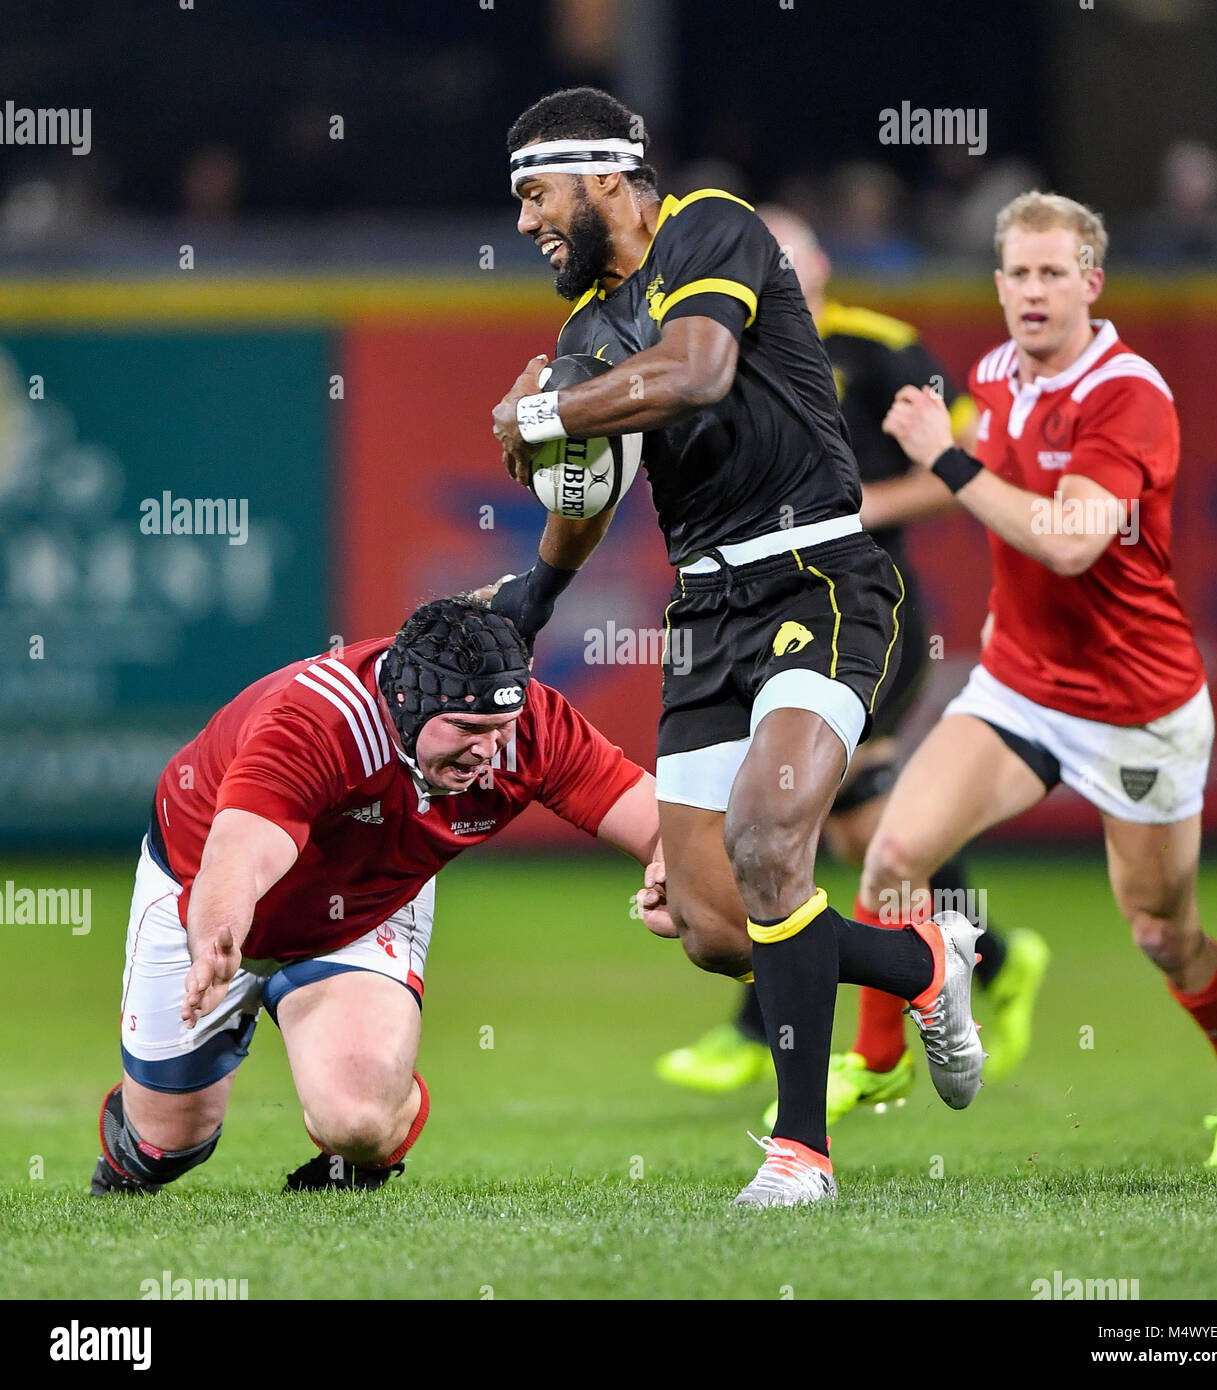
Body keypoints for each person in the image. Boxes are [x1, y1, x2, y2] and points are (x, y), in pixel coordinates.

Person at [489, 86, 986, 1208]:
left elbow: (699, 370)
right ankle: (925, 961)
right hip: (705, 613)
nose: (522, 223)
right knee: (715, 928)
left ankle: (799, 1154)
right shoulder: (581, 333)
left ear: (605, 178)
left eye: (533, 194)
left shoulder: (713, 226)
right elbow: (590, 488)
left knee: (771, 839)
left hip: (819, 576)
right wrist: (539, 588)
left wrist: (541, 417)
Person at [863, 190, 1217, 1168]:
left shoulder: (1128, 392)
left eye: (1054, 272)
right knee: (890, 859)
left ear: (1091, 282)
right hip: (1019, 688)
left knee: (1161, 933)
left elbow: (1074, 542)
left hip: (1136, 709)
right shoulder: (995, 373)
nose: (1033, 290)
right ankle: (879, 1056)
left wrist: (947, 460)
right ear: (998, 283)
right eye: (1017, 272)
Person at [654, 206, 1050, 1125]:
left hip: (859, 608)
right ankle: (980, 956)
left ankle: (770, 1033)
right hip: (772, 612)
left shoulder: (879, 349)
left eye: (786, 260)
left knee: (785, 824)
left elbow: (969, 453)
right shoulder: (717, 344)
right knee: (853, 834)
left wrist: (856, 505)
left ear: (818, 266)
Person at [91, 597, 669, 1196]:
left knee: (360, 1119)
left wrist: (671, 874)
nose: (488, 750)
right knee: (168, 1140)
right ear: (405, 707)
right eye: (468, 730)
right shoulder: (318, 722)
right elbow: (239, 855)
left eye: (500, 728)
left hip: (365, 910)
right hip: (205, 891)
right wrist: (214, 938)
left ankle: (354, 1167)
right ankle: (131, 1157)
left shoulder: (532, 728)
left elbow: (657, 822)